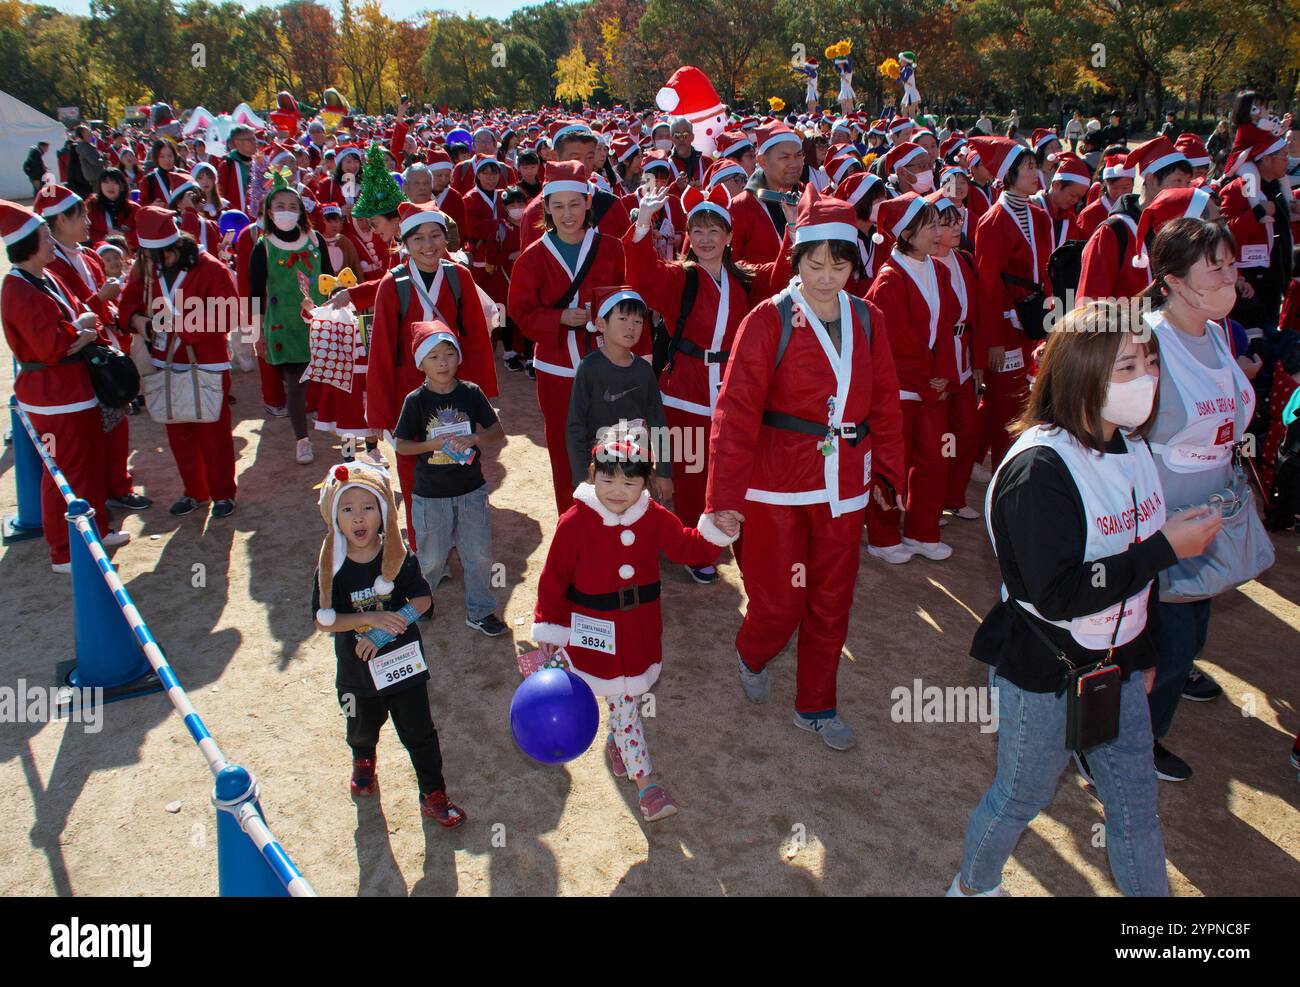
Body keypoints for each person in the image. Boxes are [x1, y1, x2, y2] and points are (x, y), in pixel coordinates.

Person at [949, 300, 1221, 898]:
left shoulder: (1131, 445)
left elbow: (1136, 573)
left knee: (1135, 808)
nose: (1146, 378)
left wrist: (1143, 654)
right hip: (1046, 666)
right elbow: (1061, 591)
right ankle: (972, 888)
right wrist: (1165, 549)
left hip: (1117, 665)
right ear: (1081, 374)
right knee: (1021, 795)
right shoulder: (1039, 470)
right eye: (1127, 367)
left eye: (1150, 362)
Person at [705, 185, 906, 750]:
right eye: (814, 263)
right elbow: (736, 411)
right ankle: (753, 649)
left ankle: (816, 704)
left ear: (853, 264)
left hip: (845, 485)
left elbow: (886, 401)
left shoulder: (868, 318)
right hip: (776, 486)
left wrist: (890, 470)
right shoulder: (768, 319)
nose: (826, 276)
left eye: (838, 264)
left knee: (832, 598)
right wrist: (724, 495)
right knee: (780, 601)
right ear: (797, 261)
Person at [531, 433, 737, 822]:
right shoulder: (573, 522)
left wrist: (716, 529)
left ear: (646, 483)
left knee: (628, 698)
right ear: (592, 475)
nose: (617, 491)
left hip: (639, 631)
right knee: (624, 705)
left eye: (630, 481)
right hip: (593, 636)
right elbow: (553, 581)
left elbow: (689, 548)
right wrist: (549, 631)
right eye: (608, 479)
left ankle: (618, 744)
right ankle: (647, 787)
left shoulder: (653, 516)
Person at [1140, 218, 1263, 781]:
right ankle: (1122, 751)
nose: (1229, 279)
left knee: (1189, 637)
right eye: (1215, 268)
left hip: (1209, 518)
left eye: (1231, 266)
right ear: (1173, 280)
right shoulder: (1146, 343)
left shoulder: (1217, 333)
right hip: (1158, 522)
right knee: (1166, 646)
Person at [311, 461, 466, 828]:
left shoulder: (398, 557)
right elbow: (323, 618)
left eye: (368, 507)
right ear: (335, 517)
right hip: (357, 673)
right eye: (347, 509)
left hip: (404, 667)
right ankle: (363, 759)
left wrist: (385, 632)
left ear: (383, 512)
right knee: (361, 727)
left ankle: (433, 793)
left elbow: (423, 600)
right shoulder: (331, 566)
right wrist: (370, 620)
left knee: (420, 732)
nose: (359, 518)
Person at [1, 199, 131, 571]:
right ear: (26, 243)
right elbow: (52, 345)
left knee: (87, 466)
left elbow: (76, 315)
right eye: (44, 236)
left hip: (75, 390)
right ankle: (63, 550)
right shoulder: (17, 288)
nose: (50, 242)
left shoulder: (45, 276)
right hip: (52, 398)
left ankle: (97, 530)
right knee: (63, 474)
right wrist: (80, 330)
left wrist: (80, 328)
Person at [507, 160, 628, 515]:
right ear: (545, 207)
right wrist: (559, 317)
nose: (567, 213)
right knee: (564, 449)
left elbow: (628, 297)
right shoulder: (532, 258)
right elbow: (521, 311)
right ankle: (573, 522)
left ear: (588, 202)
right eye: (557, 206)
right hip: (556, 368)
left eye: (575, 203)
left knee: (613, 443)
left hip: (608, 363)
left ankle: (615, 518)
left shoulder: (610, 247)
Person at [119, 207, 240, 519]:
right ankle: (195, 492)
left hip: (207, 364)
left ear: (175, 247)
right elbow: (126, 305)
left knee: (214, 436)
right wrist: (141, 321)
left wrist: (179, 324)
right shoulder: (148, 266)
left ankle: (223, 493)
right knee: (179, 435)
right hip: (166, 364)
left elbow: (229, 314)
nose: (151, 262)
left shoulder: (210, 268)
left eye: (159, 255)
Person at [37, 184, 150, 513]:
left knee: (117, 423)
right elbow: (64, 316)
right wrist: (98, 300)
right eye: (81, 215)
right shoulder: (51, 265)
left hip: (108, 350)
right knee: (97, 432)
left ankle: (118, 485)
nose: (89, 220)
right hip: (86, 360)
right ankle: (100, 497)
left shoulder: (87, 254)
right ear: (60, 221)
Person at [392, 321, 509, 638]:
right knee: (430, 558)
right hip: (430, 495)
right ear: (421, 364)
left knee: (479, 555)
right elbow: (401, 445)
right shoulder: (415, 401)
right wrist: (432, 445)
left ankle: (480, 611)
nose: (442, 362)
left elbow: (497, 431)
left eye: (448, 354)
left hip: (471, 490)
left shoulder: (471, 393)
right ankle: (420, 601)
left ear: (458, 358)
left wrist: (474, 438)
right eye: (433, 357)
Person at [864, 192, 958, 563]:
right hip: (899, 388)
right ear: (906, 233)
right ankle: (883, 535)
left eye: (938, 223)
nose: (939, 232)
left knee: (934, 460)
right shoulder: (889, 280)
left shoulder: (940, 270)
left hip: (931, 386)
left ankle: (923, 530)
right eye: (930, 225)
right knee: (892, 463)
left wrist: (945, 376)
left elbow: (947, 328)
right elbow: (898, 343)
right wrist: (929, 379)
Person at [971, 137, 1050, 469]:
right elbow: (987, 288)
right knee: (1007, 404)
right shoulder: (992, 222)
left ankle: (973, 461)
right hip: (1005, 328)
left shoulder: (1038, 215)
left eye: (1036, 166)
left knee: (1018, 399)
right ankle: (1004, 472)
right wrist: (992, 342)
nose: (1037, 173)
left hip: (1032, 324)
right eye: (1029, 168)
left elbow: (1045, 273)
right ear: (1010, 174)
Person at [249, 171, 332, 464]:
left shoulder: (315, 240)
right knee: (295, 385)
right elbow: (255, 292)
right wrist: (257, 333)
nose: (286, 211)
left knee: (333, 378)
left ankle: (344, 429)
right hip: (284, 326)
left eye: (292, 206)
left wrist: (336, 313)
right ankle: (302, 439)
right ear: (269, 212)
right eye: (280, 206)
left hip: (319, 322)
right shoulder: (264, 246)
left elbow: (329, 279)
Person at [564, 285, 672, 496]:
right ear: (601, 324)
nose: (631, 327)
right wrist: (581, 476)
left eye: (638, 321)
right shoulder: (589, 368)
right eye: (623, 319)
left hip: (637, 468)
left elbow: (658, 422)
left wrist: (665, 472)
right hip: (600, 469)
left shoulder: (644, 370)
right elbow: (575, 425)